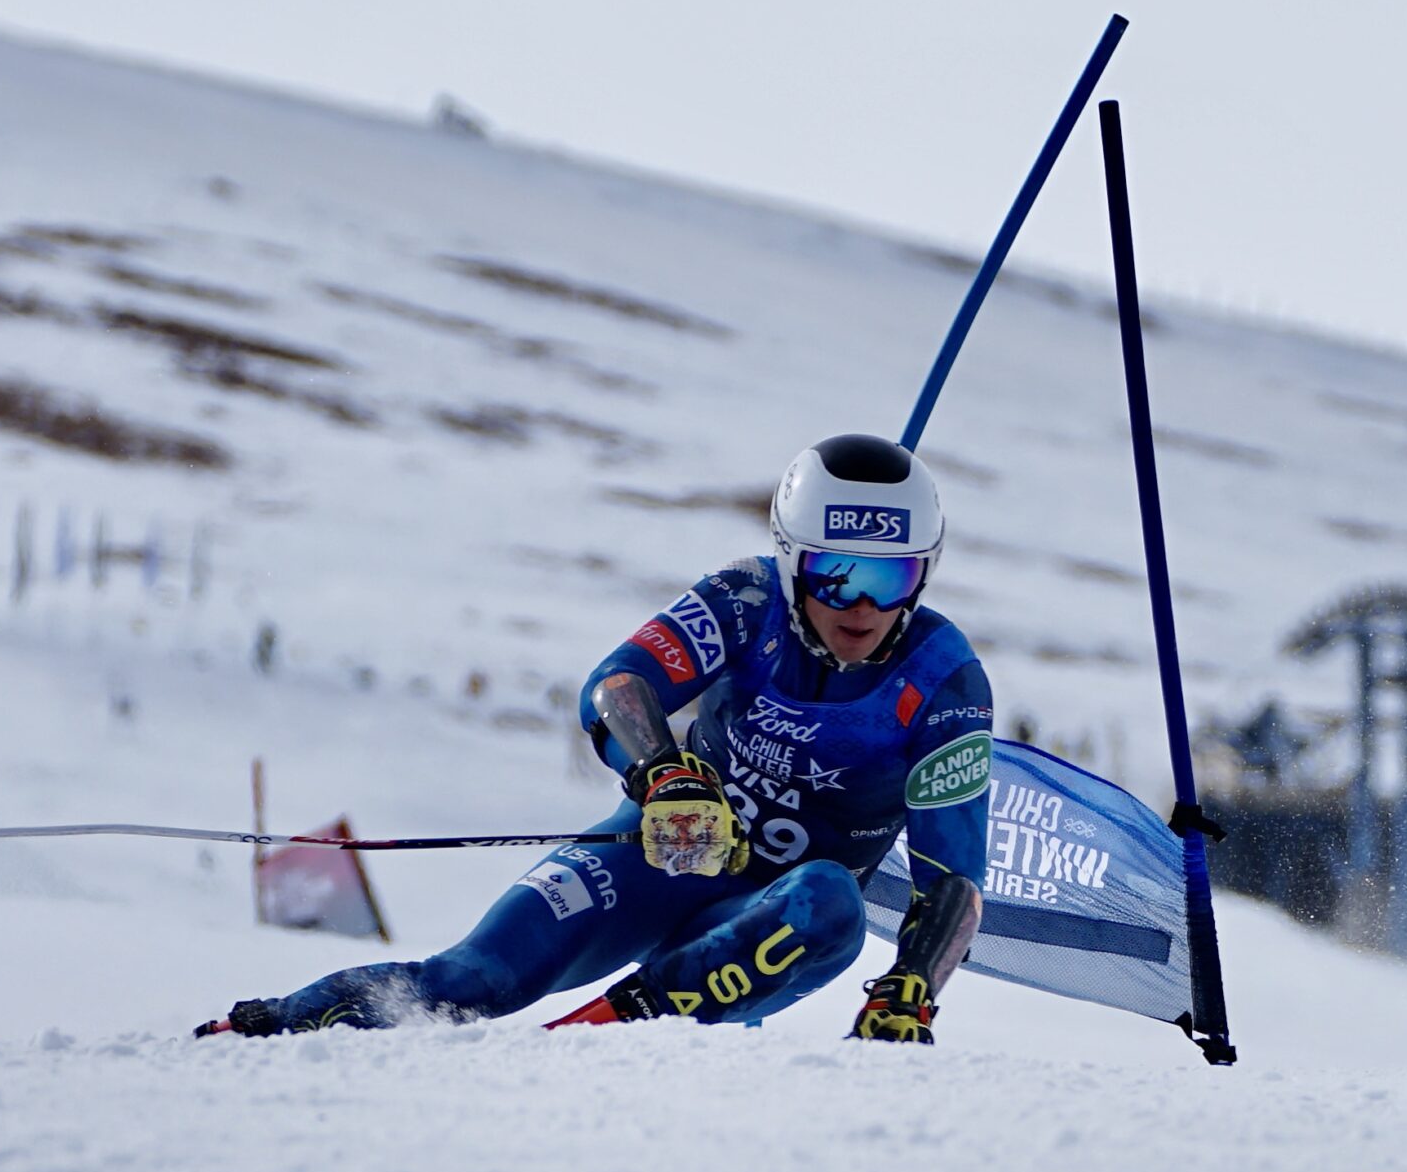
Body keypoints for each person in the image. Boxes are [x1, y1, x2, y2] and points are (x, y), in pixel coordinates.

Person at [196, 435, 994, 1043]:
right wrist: (663, 774)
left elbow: (952, 879)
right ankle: (262, 1032)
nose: (862, 607)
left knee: (831, 900)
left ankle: (602, 1037)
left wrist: (913, 985)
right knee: (471, 979)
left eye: (890, 577)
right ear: (791, 561)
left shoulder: (945, 679)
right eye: (835, 575)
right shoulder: (747, 598)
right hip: (663, 855)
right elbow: (618, 685)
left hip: (768, 921)